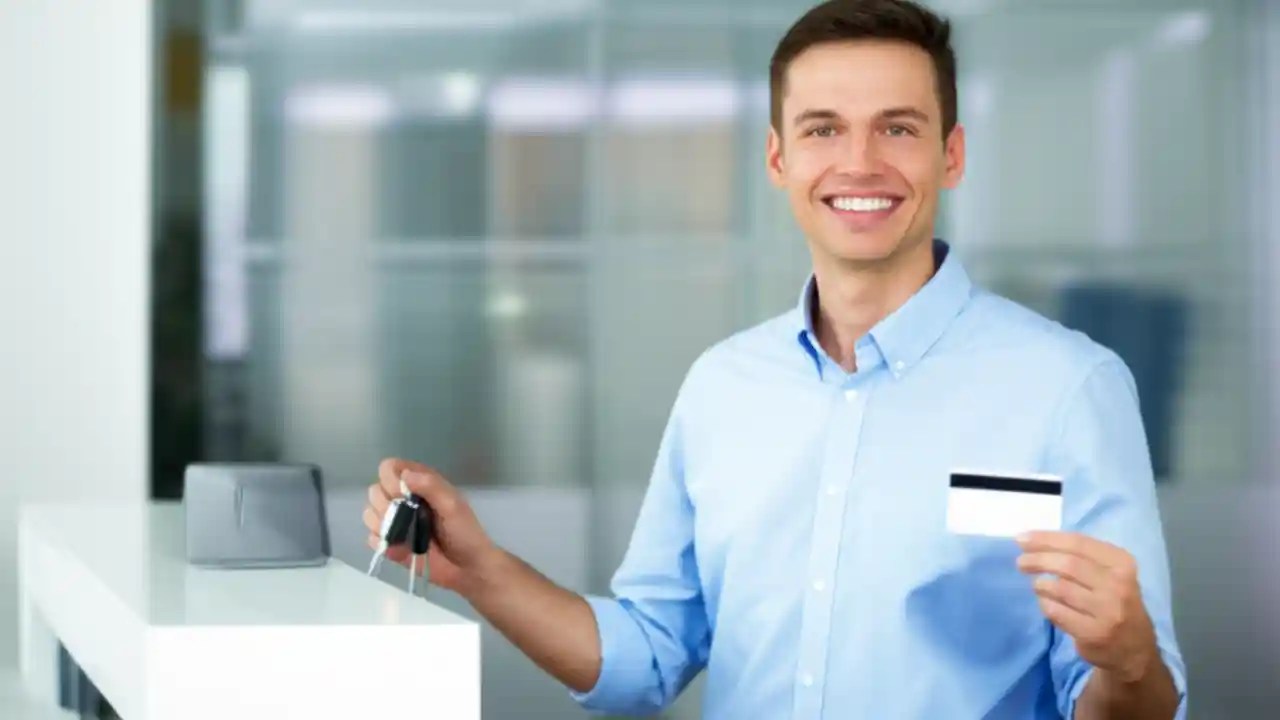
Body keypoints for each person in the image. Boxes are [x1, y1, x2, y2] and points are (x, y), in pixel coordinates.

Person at [362, 0, 1187, 716]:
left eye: (897, 128)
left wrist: (1130, 660)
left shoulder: (1068, 388)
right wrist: (481, 571)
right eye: (823, 129)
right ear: (778, 158)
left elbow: (1137, 705)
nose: (859, 163)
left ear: (952, 154)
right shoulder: (723, 388)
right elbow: (649, 658)